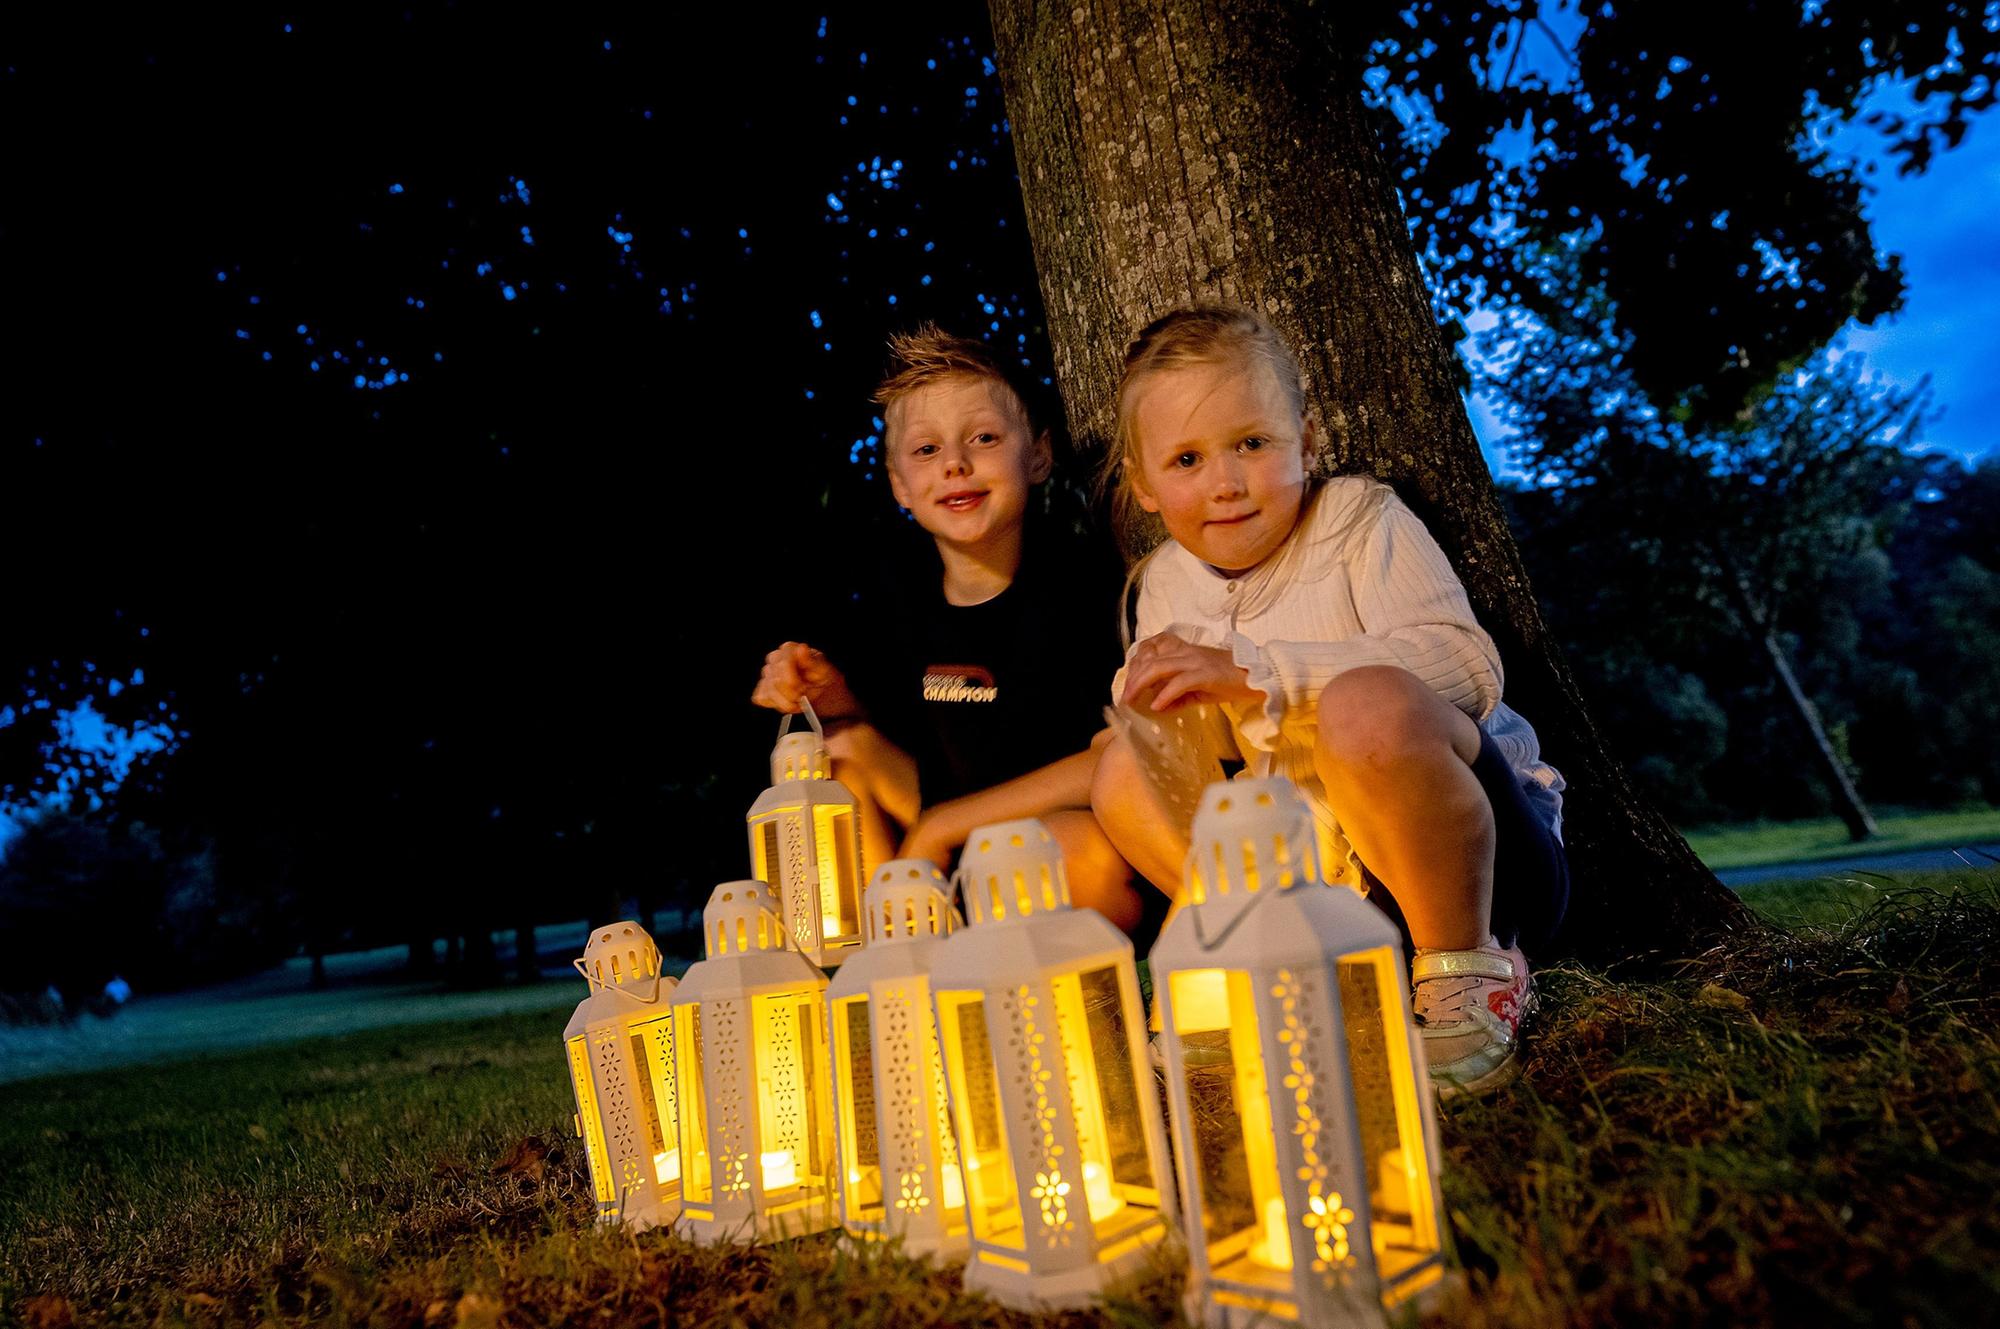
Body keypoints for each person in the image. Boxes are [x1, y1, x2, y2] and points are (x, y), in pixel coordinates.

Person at [1091, 305, 1569, 1096]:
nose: (1226, 482)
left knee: (1366, 706)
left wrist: (1255, 672)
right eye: (1186, 459)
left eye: (1253, 443)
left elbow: (1466, 667)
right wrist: (1162, 706)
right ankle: (1269, 962)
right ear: (1143, 485)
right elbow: (1199, 757)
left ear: (1306, 440)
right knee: (1120, 770)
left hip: (1476, 862)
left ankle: (1467, 973)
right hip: (1327, 889)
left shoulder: (1357, 520)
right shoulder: (1166, 583)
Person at [752, 326, 1139, 926]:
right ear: (900, 485)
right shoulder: (899, 603)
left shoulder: (1082, 586)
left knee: (1072, 854)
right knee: (838, 758)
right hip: (943, 849)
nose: (956, 464)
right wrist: (823, 695)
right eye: (927, 451)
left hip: (1051, 844)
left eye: (983, 438)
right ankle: (899, 954)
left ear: (1037, 455)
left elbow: (1113, 760)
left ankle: (950, 941)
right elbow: (892, 750)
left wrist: (941, 826)